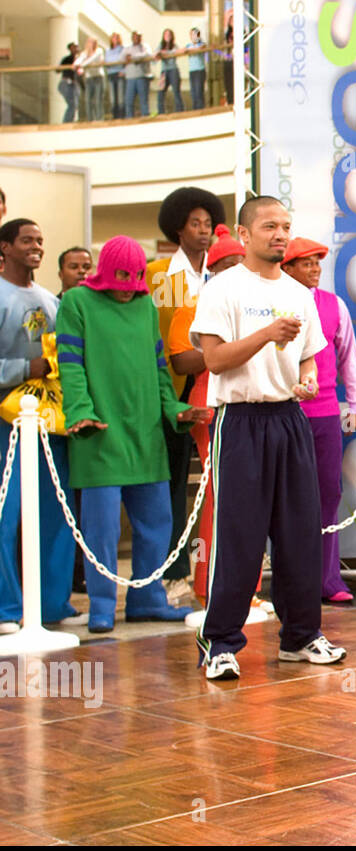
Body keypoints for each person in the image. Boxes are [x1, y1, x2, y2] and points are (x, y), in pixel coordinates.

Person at [189, 195, 345, 680]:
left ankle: (301, 636)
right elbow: (214, 360)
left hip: (290, 418)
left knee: (301, 532)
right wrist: (266, 333)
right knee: (239, 535)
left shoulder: (299, 293)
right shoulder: (224, 289)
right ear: (243, 234)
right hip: (240, 421)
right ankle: (219, 643)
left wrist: (308, 379)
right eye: (269, 226)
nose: (280, 234)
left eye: (285, 226)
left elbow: (308, 358)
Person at [56, 236, 206, 633]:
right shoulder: (77, 303)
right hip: (99, 432)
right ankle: (103, 604)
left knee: (157, 521)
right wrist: (81, 412)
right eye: (122, 275)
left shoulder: (143, 306)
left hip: (146, 433)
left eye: (137, 275)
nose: (129, 284)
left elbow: (159, 370)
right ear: (106, 271)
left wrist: (176, 409)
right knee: (101, 530)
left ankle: (147, 598)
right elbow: (69, 364)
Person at [169, 224, 256, 615]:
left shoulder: (256, 301)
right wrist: (224, 352)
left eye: (243, 261)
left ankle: (246, 589)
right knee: (221, 498)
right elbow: (178, 359)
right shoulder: (195, 302)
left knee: (250, 497)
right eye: (231, 263)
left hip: (252, 400)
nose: (240, 268)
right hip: (213, 401)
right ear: (215, 268)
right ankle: (210, 586)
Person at [0, 219, 79, 632]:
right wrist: (22, 368)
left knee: (56, 512)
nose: (36, 247)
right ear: (5, 247)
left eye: (40, 241)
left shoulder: (52, 300)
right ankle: (6, 608)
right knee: (5, 513)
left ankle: (52, 603)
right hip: (6, 424)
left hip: (49, 424)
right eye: (27, 240)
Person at [149, 186, 224, 599]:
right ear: (178, 228)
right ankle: (172, 569)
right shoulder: (158, 274)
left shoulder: (221, 276)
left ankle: (208, 570)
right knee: (172, 486)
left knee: (214, 487)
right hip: (169, 388)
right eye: (194, 223)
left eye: (208, 223)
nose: (203, 230)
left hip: (213, 389)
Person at [281, 237, 356, 603]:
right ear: (287, 268)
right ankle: (292, 581)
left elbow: (349, 356)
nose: (315, 269)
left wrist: (355, 404)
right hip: (282, 412)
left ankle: (329, 579)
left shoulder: (333, 305)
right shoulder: (274, 304)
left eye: (317, 262)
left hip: (327, 412)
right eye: (306, 263)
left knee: (328, 494)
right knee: (284, 499)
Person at [123, 32, 153, 118]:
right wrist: (129, 57)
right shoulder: (127, 48)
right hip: (130, 77)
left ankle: (145, 116)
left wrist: (133, 57)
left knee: (143, 99)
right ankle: (129, 118)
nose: (136, 38)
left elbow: (147, 54)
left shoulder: (145, 46)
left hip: (142, 76)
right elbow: (122, 57)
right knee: (129, 100)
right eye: (134, 36)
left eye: (138, 37)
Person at [154, 29, 184, 114]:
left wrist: (166, 53)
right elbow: (155, 54)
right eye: (166, 34)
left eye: (169, 34)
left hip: (173, 70)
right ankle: (161, 112)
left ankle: (180, 111)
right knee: (160, 92)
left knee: (176, 91)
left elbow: (178, 51)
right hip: (164, 71)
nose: (168, 36)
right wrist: (160, 53)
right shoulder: (160, 45)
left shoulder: (174, 45)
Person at [76, 38, 106, 121]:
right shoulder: (84, 53)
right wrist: (76, 64)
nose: (89, 44)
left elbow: (91, 60)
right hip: (89, 78)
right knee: (88, 100)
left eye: (91, 42)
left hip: (98, 77)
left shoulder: (99, 51)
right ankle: (90, 120)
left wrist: (81, 65)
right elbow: (79, 60)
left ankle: (99, 119)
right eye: (88, 42)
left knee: (98, 100)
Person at [104, 34, 127, 119]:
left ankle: (122, 116)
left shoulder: (122, 49)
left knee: (121, 98)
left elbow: (122, 60)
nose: (115, 39)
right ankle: (115, 116)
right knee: (113, 99)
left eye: (117, 38)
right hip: (111, 74)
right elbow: (107, 61)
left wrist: (123, 70)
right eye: (113, 38)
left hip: (119, 73)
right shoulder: (108, 50)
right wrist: (114, 62)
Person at [58, 43, 81, 123]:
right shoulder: (67, 59)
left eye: (76, 47)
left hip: (75, 84)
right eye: (73, 48)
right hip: (67, 83)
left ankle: (70, 120)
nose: (75, 49)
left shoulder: (80, 59)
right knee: (72, 104)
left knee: (75, 105)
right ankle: (67, 121)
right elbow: (58, 70)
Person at [185, 28, 207, 109]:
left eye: (195, 34)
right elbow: (182, 50)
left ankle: (201, 109)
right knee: (193, 92)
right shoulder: (188, 45)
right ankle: (195, 109)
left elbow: (201, 48)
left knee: (199, 91)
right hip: (192, 71)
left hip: (200, 70)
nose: (193, 36)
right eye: (191, 34)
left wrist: (190, 50)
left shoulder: (202, 44)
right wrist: (188, 50)